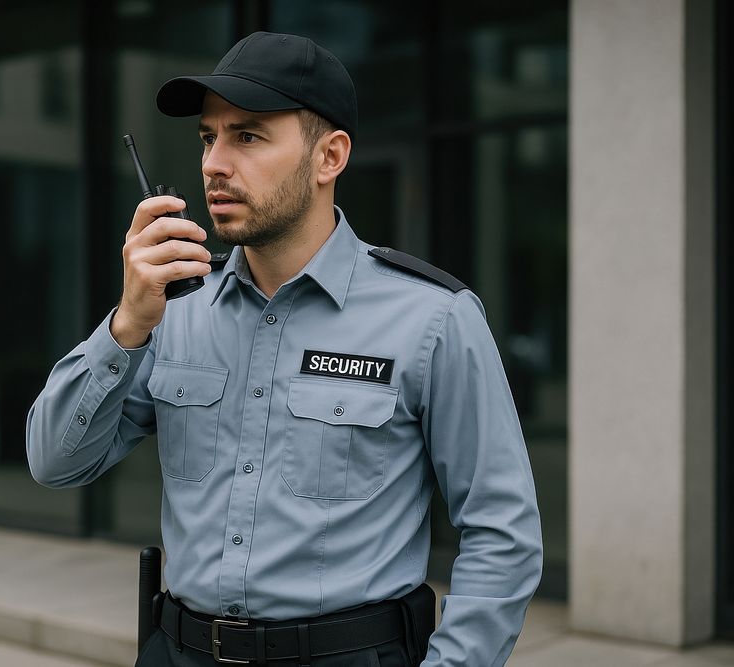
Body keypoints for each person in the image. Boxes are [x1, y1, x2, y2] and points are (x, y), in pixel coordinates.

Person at [27, 31, 542, 667]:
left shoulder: (433, 318)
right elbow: (55, 461)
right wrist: (126, 324)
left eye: (247, 136)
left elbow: (503, 534)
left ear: (329, 157)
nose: (214, 162)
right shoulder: (171, 311)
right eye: (207, 137)